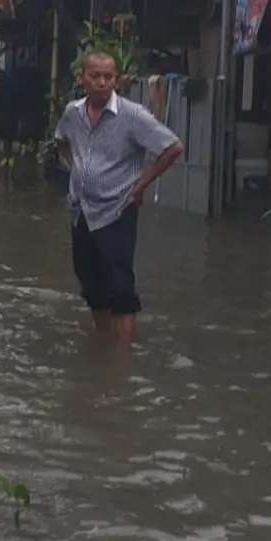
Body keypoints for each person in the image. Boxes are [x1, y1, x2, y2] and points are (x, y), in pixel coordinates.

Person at [54, 51, 184, 346]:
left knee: (120, 283)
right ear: (81, 79)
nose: (102, 82)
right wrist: (75, 168)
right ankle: (103, 341)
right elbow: (61, 141)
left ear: (115, 79)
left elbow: (173, 147)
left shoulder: (132, 115)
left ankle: (122, 356)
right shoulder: (73, 112)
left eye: (109, 77)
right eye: (95, 76)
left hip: (116, 209)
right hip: (81, 210)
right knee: (89, 280)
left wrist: (140, 186)